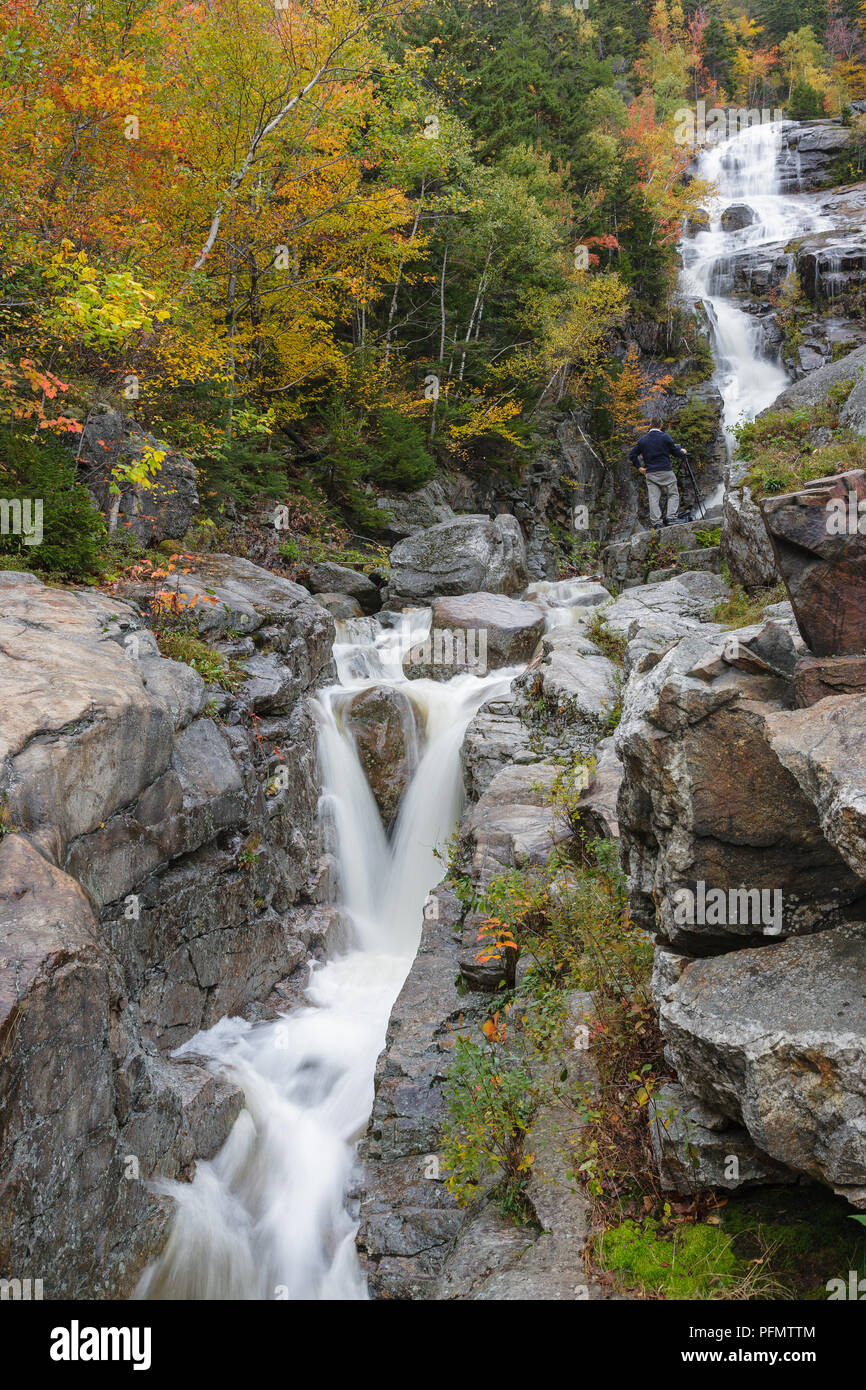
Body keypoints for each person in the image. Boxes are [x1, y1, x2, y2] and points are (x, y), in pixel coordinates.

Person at [628, 421, 688, 528]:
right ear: (661, 426)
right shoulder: (665, 437)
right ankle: (671, 517)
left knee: (653, 498)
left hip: (650, 472)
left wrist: (639, 468)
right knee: (673, 494)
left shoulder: (643, 440)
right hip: (665, 471)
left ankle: (657, 523)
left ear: (650, 426)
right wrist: (682, 451)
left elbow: (632, 454)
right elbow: (676, 453)